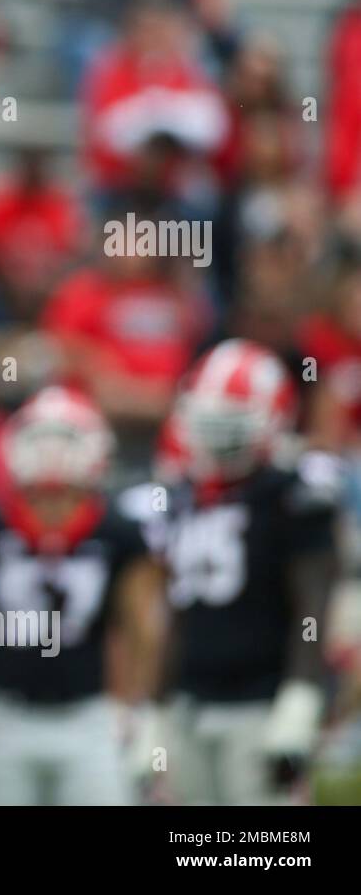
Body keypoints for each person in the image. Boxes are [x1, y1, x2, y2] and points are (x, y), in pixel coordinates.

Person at [0, 387, 165, 805]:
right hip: (4, 714)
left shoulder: (119, 532)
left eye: (65, 439)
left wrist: (139, 707)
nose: (52, 454)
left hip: (89, 715)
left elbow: (144, 630)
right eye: (42, 439)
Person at [127, 339, 341, 804]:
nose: (219, 439)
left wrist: (299, 701)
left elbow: (312, 609)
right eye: (211, 423)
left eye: (232, 425)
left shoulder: (293, 496)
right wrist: (152, 711)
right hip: (188, 701)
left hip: (260, 705)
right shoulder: (182, 497)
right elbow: (173, 615)